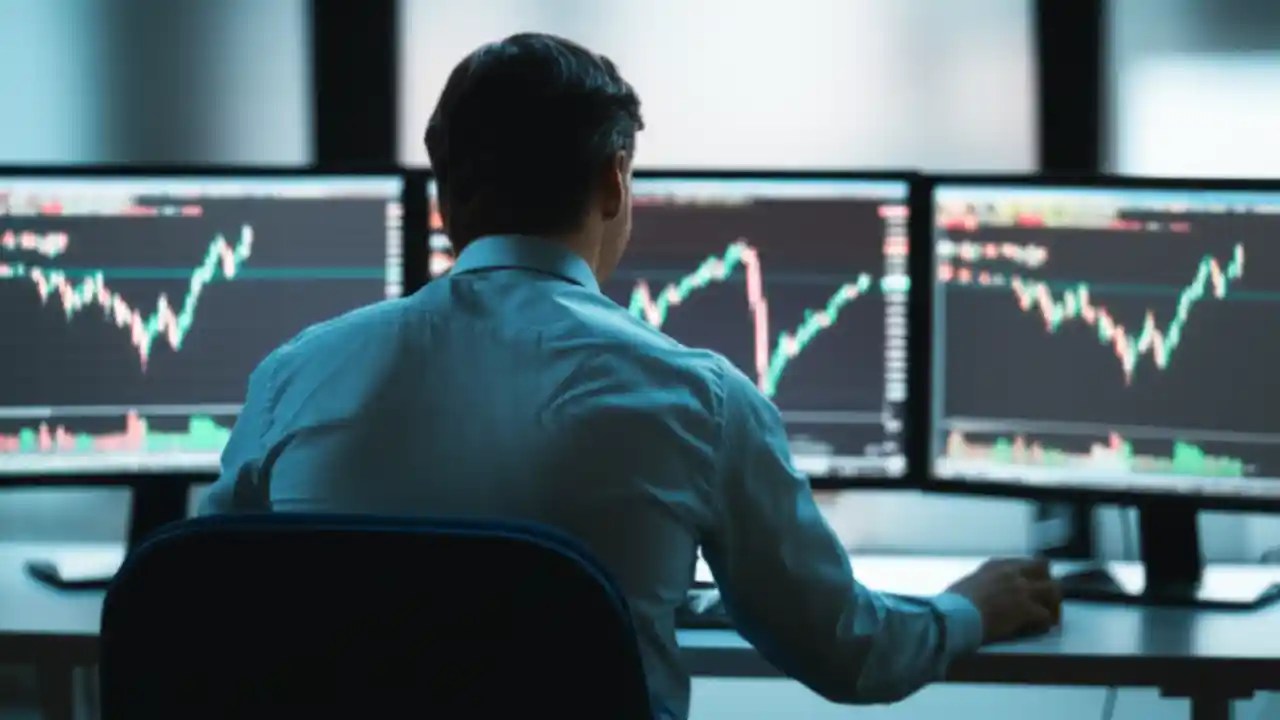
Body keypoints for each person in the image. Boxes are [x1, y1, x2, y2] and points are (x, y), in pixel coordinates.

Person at [202, 32, 1062, 720]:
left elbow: (212, 596)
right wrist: (970, 608)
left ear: (444, 201)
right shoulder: (700, 399)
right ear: (615, 182)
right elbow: (850, 653)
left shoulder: (294, 374)